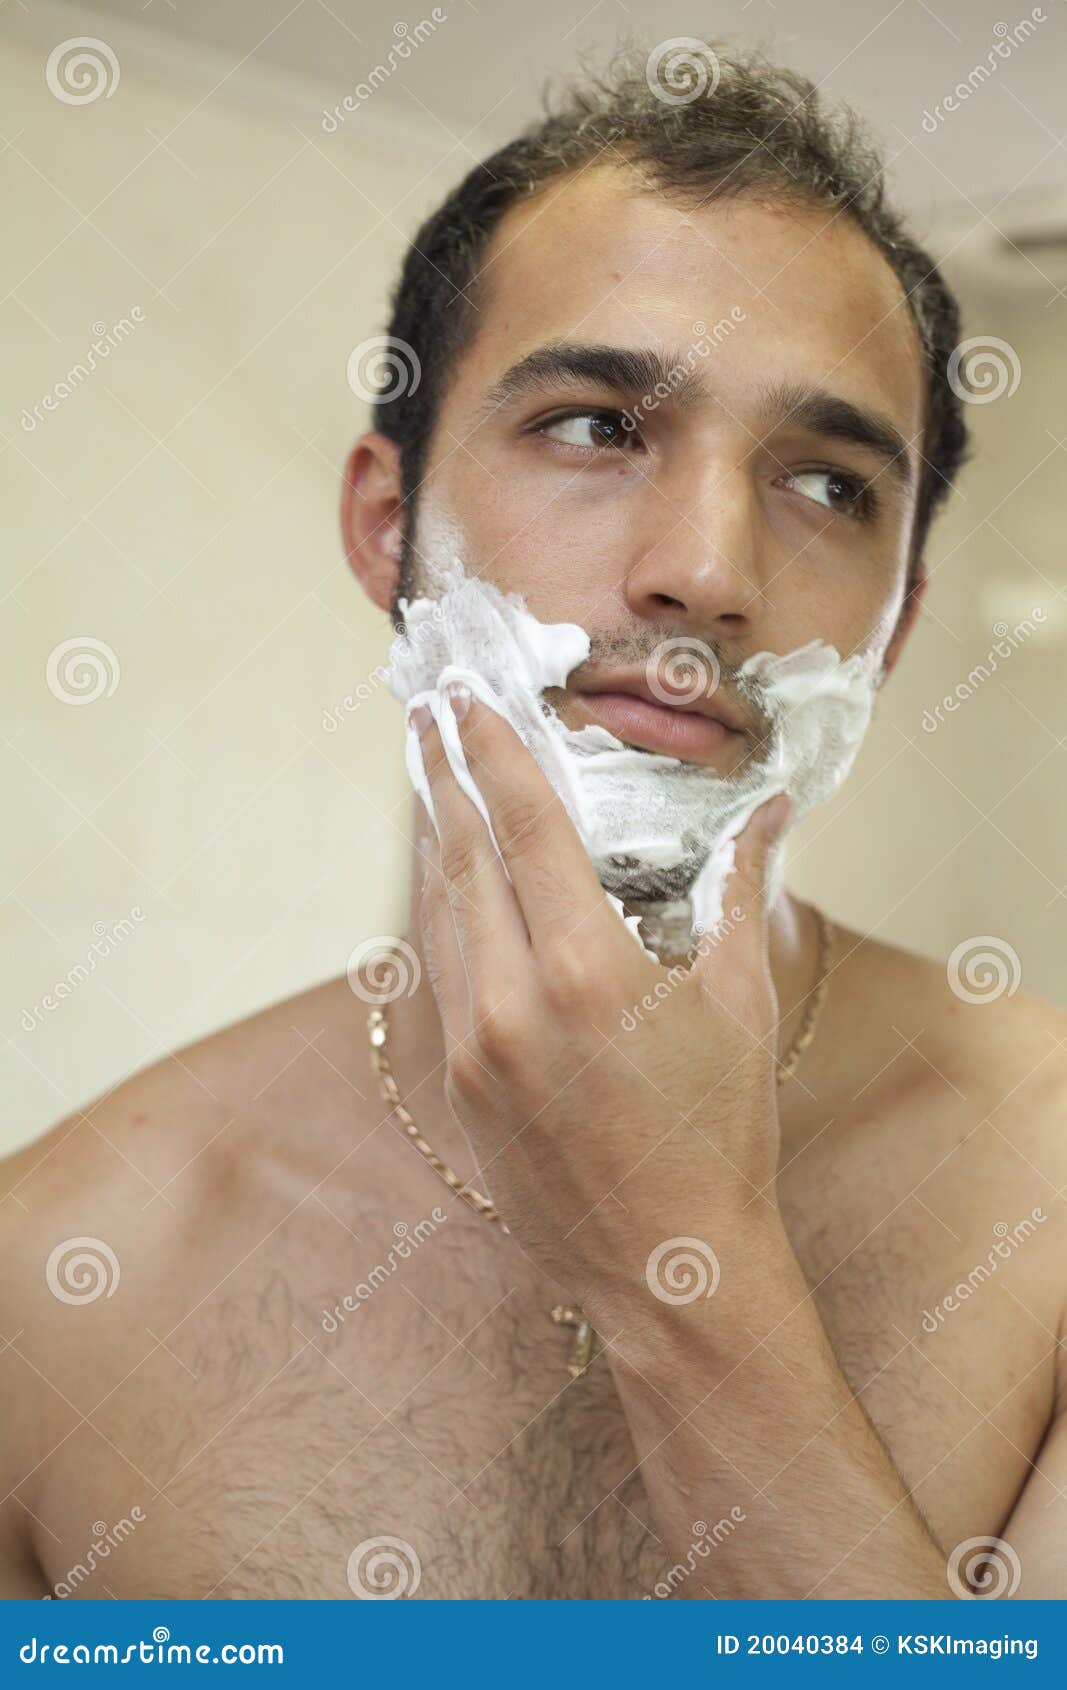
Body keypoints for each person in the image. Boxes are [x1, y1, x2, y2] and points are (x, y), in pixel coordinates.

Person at [2, 39, 1063, 1602]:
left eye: (829, 483)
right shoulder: (55, 1275)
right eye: (596, 426)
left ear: (895, 624)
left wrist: (684, 1263)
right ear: (388, 527)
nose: (707, 571)